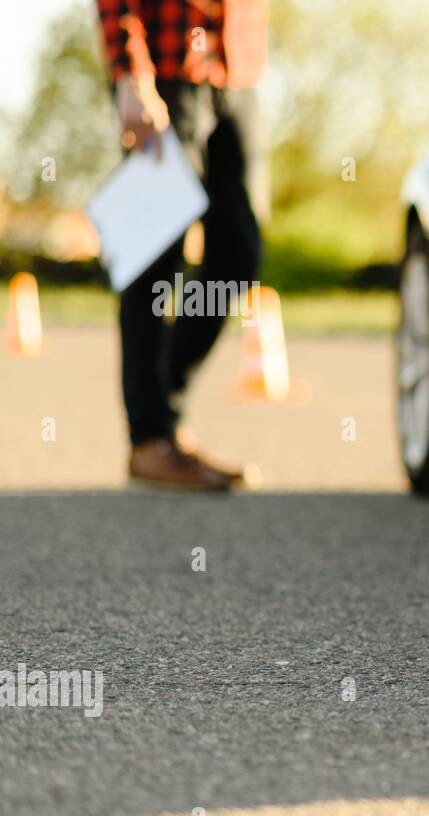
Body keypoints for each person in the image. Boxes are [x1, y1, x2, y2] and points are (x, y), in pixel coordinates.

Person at [96, 0, 268, 490]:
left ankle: (163, 406)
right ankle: (150, 440)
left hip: (237, 74)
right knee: (155, 260)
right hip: (167, 72)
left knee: (238, 254)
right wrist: (131, 76)